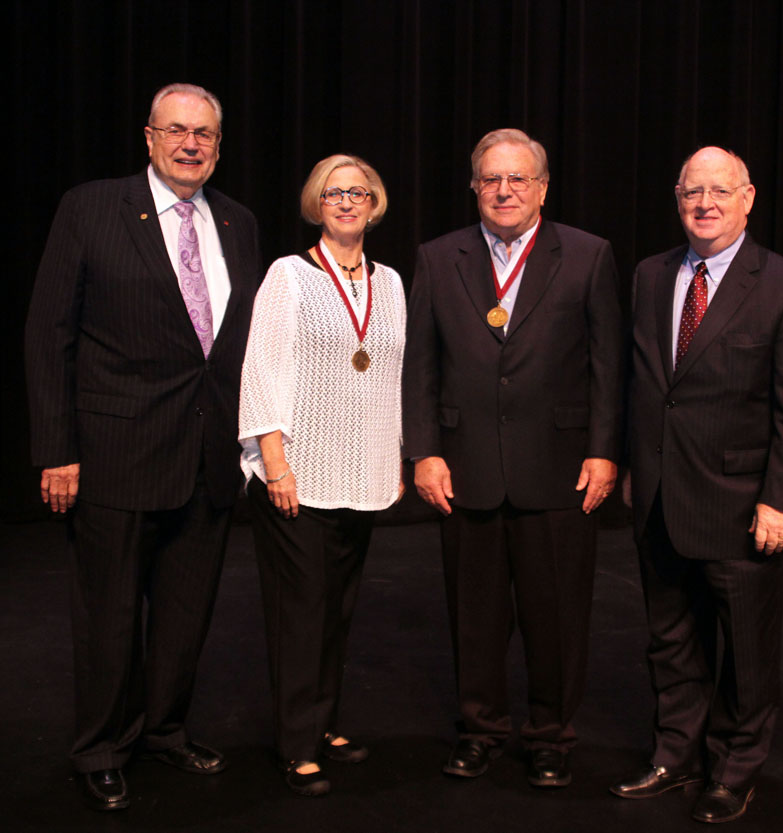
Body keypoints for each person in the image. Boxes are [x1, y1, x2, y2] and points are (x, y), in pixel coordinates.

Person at [24, 83, 262, 811]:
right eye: (178, 131)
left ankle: (164, 729)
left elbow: (237, 347)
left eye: (206, 135)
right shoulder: (91, 207)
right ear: (150, 138)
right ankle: (101, 745)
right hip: (114, 451)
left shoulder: (239, 221)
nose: (192, 144)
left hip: (207, 453)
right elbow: (48, 331)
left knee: (186, 611)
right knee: (110, 613)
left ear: (219, 147)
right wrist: (56, 448)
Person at [613, 146, 783, 823]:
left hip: (744, 504)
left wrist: (780, 499)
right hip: (659, 497)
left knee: (747, 651)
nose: (704, 203)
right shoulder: (650, 275)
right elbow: (645, 386)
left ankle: (734, 767)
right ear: (677, 200)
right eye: (691, 192)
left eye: (718, 191)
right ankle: (675, 755)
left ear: (748, 198)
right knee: (670, 638)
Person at [402, 128, 623, 788]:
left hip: (559, 468)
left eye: (518, 179)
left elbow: (610, 367)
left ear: (542, 188)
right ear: (474, 187)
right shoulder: (439, 257)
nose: (504, 190)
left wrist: (605, 451)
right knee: (475, 615)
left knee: (556, 615)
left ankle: (551, 733)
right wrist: (424, 452)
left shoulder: (588, 255)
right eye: (490, 179)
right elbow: (420, 365)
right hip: (464, 465)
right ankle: (480, 728)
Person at [238, 154, 405, 797]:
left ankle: (325, 721)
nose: (345, 202)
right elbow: (260, 370)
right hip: (297, 474)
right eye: (333, 193)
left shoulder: (389, 282)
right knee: (300, 611)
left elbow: (389, 374)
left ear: (373, 202)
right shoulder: (289, 276)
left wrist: (392, 454)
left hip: (359, 472)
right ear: (316, 202)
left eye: (357, 192)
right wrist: (274, 463)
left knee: (337, 609)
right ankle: (295, 742)